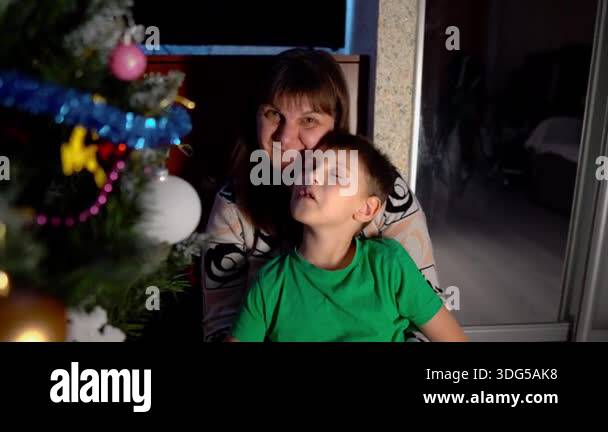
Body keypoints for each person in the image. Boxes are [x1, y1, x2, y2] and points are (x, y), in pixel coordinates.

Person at [202, 48, 441, 342]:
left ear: (336, 125)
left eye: (309, 120)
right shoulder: (232, 204)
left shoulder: (388, 191)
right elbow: (220, 327)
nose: (285, 138)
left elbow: (426, 321)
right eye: (274, 114)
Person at [227, 132, 466, 342]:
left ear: (366, 209)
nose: (313, 176)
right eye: (309, 166)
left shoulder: (389, 266)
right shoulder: (270, 283)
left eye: (336, 176)